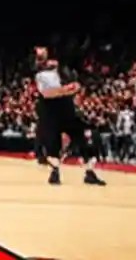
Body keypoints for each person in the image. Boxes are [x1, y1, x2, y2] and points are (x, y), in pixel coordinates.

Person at [33, 47, 106, 185]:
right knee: (51, 148)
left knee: (89, 139)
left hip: (68, 112)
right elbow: (47, 93)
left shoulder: (66, 71)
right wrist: (66, 90)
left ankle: (89, 172)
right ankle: (55, 172)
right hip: (51, 115)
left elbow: (77, 85)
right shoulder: (41, 76)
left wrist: (75, 87)